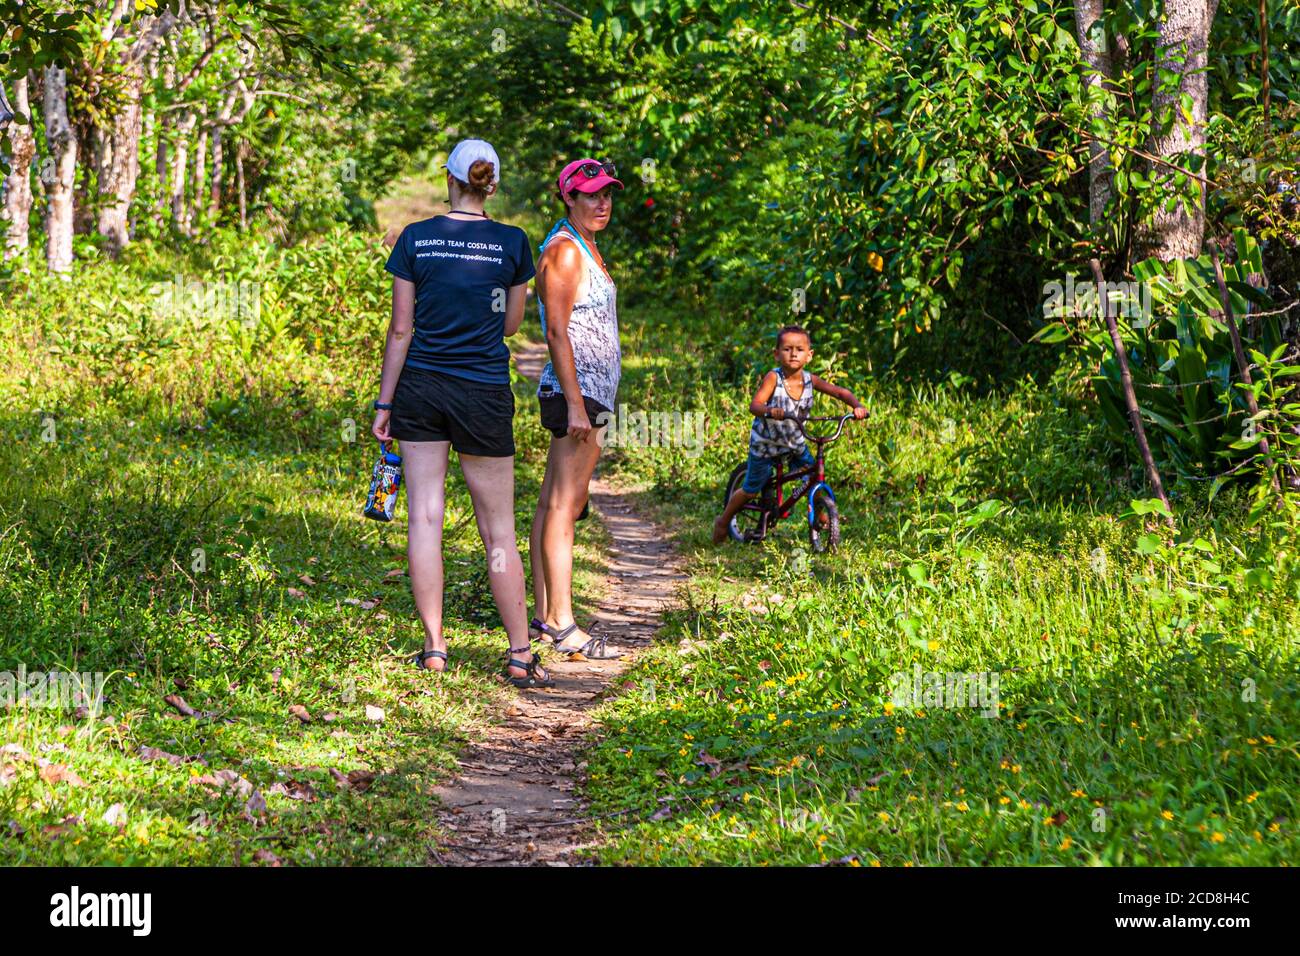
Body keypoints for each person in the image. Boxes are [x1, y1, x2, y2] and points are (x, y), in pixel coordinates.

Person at [372, 138, 553, 688]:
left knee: (424, 516)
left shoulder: (416, 240)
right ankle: (520, 652)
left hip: (420, 389)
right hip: (482, 392)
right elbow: (511, 325)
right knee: (498, 529)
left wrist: (385, 402)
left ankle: (434, 647)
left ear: (447, 177)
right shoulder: (511, 243)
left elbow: (401, 328)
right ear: (490, 184)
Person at [528, 158, 624, 659]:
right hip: (578, 395)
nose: (602, 202)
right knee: (567, 506)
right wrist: (575, 405)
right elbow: (554, 331)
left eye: (607, 193)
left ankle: (545, 617)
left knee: (552, 502)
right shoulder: (565, 252)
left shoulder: (582, 245)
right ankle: (564, 624)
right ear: (568, 197)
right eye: (590, 195)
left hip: (587, 394)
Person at [713, 325, 868, 544]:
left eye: (799, 349)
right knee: (750, 489)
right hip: (766, 444)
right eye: (787, 349)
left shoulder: (810, 380)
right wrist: (769, 411)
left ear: (809, 355)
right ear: (776, 354)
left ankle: (824, 519)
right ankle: (724, 520)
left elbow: (840, 392)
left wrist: (857, 407)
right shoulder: (773, 379)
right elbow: (755, 405)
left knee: (812, 475)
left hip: (793, 443)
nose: (793, 353)